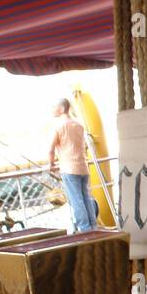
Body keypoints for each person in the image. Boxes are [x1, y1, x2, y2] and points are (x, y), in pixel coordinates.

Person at [48, 97, 97, 233]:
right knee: (86, 197)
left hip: (69, 168)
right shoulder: (78, 124)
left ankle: (84, 228)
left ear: (62, 108)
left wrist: (51, 164)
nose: (52, 110)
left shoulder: (59, 126)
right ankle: (93, 225)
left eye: (54, 107)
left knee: (76, 199)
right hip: (83, 166)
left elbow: (51, 149)